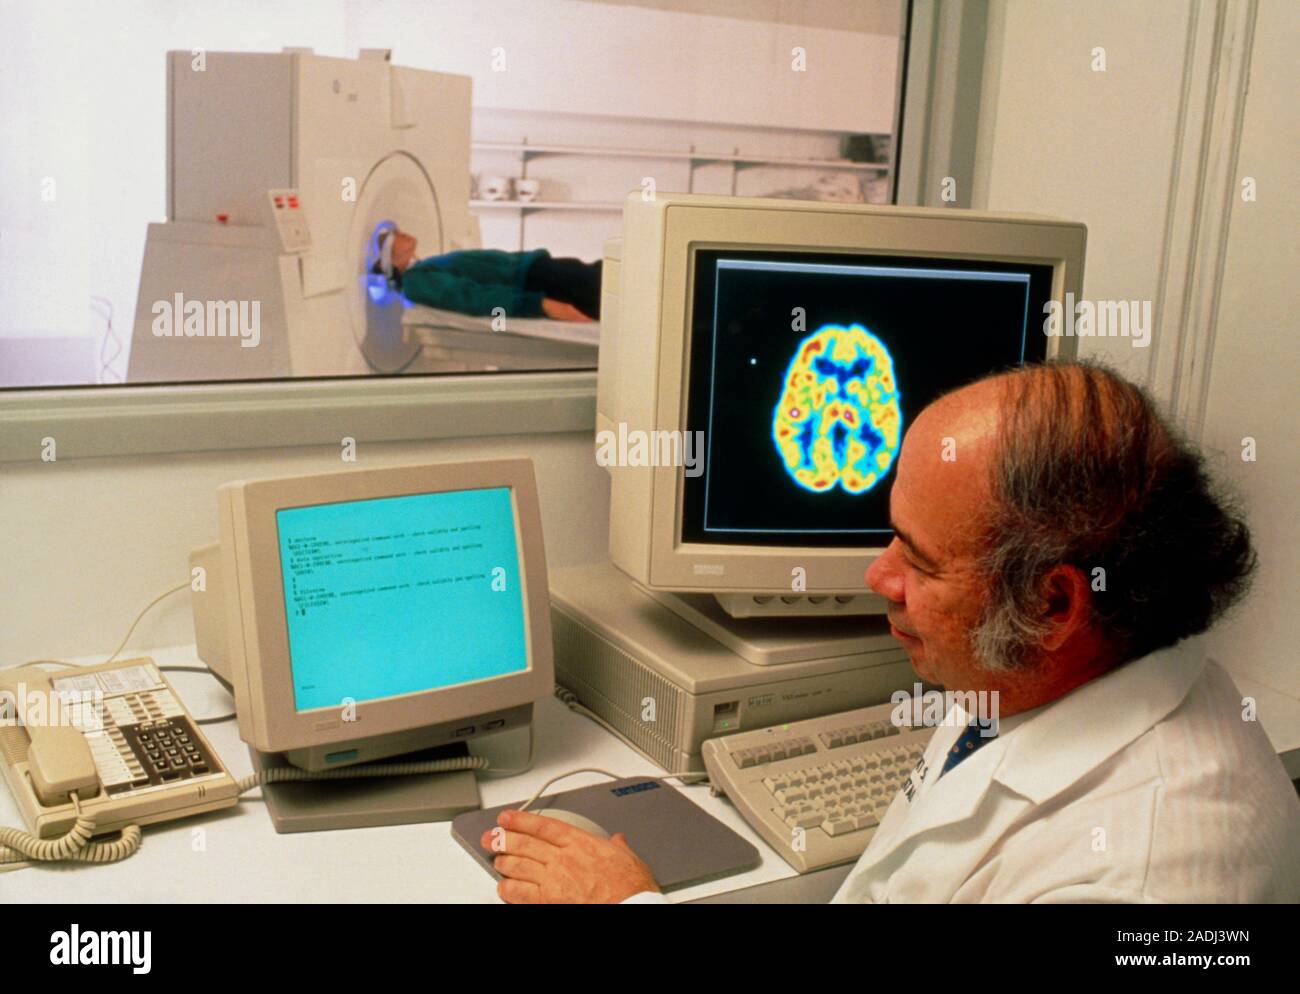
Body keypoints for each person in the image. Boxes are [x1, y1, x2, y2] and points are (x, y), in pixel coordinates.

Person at [482, 360, 1300, 903]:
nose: (879, 578)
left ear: (1055, 607)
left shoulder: (1146, 875)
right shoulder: (1033, 672)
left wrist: (626, 903)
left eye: (921, 559)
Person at [373, 227, 600, 322]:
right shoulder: (416, 281)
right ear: (390, 259)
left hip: (535, 270)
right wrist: (541, 304)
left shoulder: (423, 269)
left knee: (610, 276)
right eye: (394, 236)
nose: (401, 231)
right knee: (608, 287)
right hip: (534, 281)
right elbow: (473, 297)